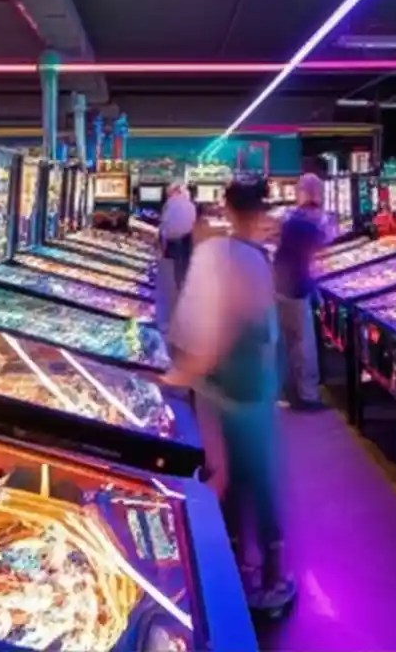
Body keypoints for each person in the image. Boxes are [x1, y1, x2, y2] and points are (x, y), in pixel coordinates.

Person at [163, 178, 295, 617]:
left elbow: (215, 325)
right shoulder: (250, 257)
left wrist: (190, 370)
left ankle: (249, 568)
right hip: (251, 382)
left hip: (231, 382)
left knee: (243, 474)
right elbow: (257, 325)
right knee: (253, 474)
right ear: (257, 212)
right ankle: (265, 572)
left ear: (226, 207)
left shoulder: (222, 254)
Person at [272, 173, 327, 411]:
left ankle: (286, 392)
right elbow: (320, 252)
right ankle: (307, 396)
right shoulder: (310, 222)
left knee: (286, 342)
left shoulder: (291, 217)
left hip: (281, 286)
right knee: (304, 343)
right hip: (297, 287)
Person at [156, 183, 196, 332]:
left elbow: (164, 226)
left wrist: (161, 245)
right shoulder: (190, 205)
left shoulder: (170, 204)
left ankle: (177, 300)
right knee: (183, 270)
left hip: (174, 242)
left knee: (172, 272)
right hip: (187, 241)